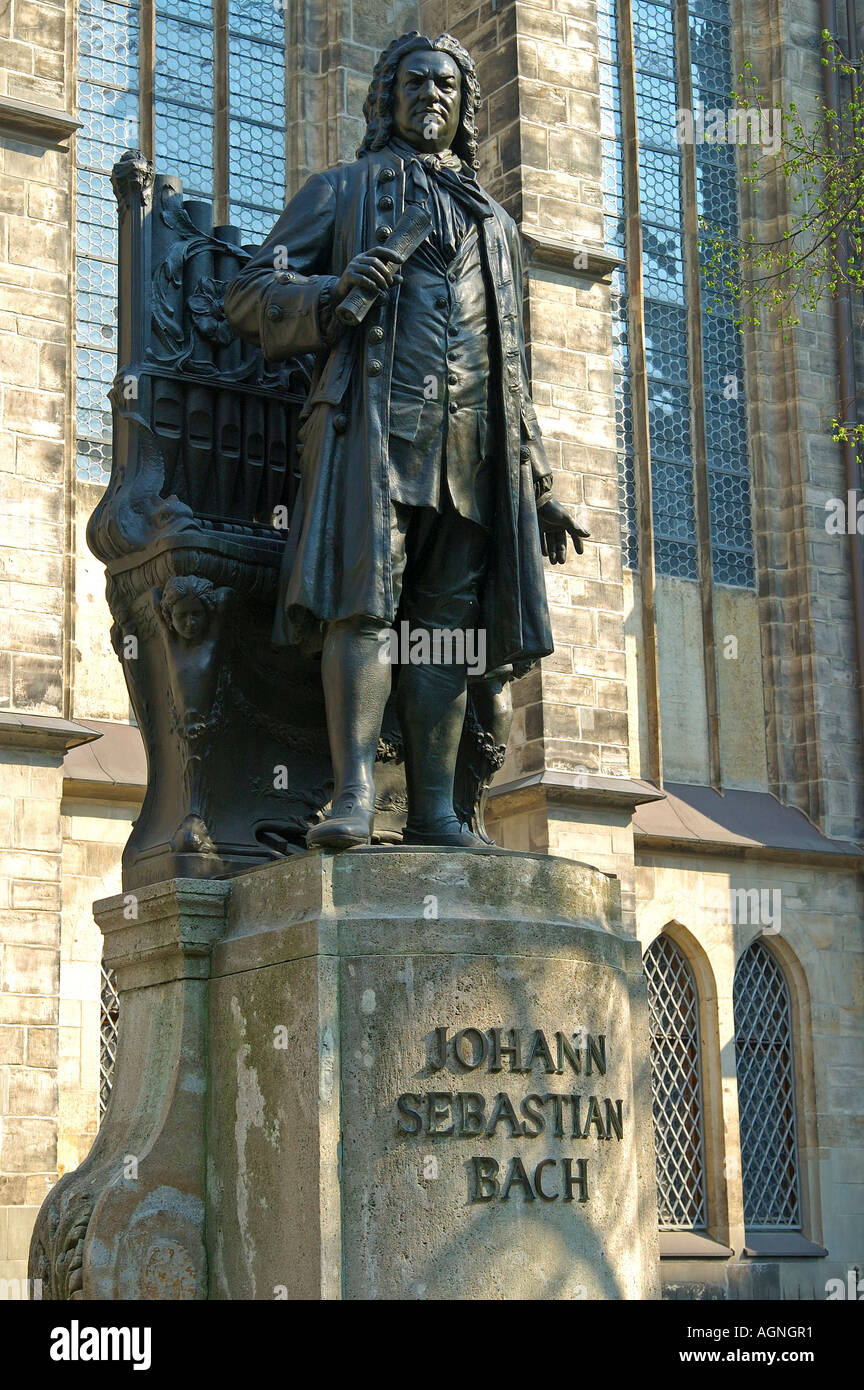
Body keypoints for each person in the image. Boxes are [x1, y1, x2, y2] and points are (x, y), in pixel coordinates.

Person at [224, 31, 588, 850]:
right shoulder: (343, 191)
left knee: (445, 624)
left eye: (447, 87)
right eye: (416, 83)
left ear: (465, 108)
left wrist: (537, 480)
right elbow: (247, 293)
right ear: (388, 97)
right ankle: (352, 798)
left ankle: (434, 811)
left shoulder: (495, 224)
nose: (431, 96)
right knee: (364, 604)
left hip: (471, 448)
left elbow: (513, 362)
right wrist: (329, 290)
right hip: (371, 432)